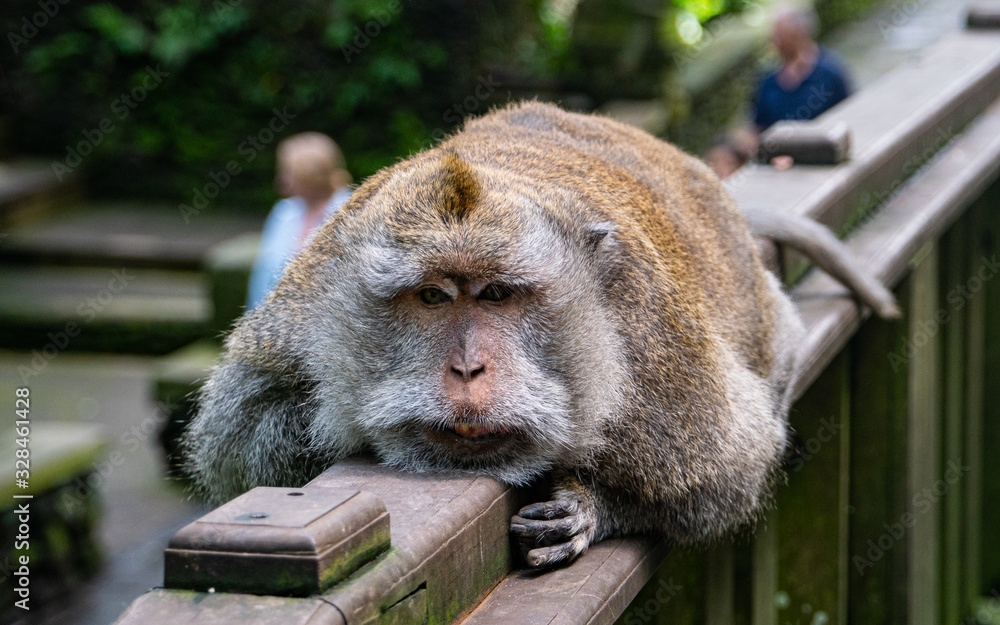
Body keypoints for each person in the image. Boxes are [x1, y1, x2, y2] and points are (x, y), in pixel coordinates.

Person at [246, 132, 352, 309]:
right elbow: (262, 275)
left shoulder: (349, 211)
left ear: (310, 176)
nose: (281, 180)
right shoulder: (284, 211)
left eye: (288, 173)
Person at [750, 8, 852, 134]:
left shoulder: (830, 73)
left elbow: (850, 113)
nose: (775, 41)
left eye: (780, 35)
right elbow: (758, 126)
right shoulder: (768, 82)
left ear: (799, 34)